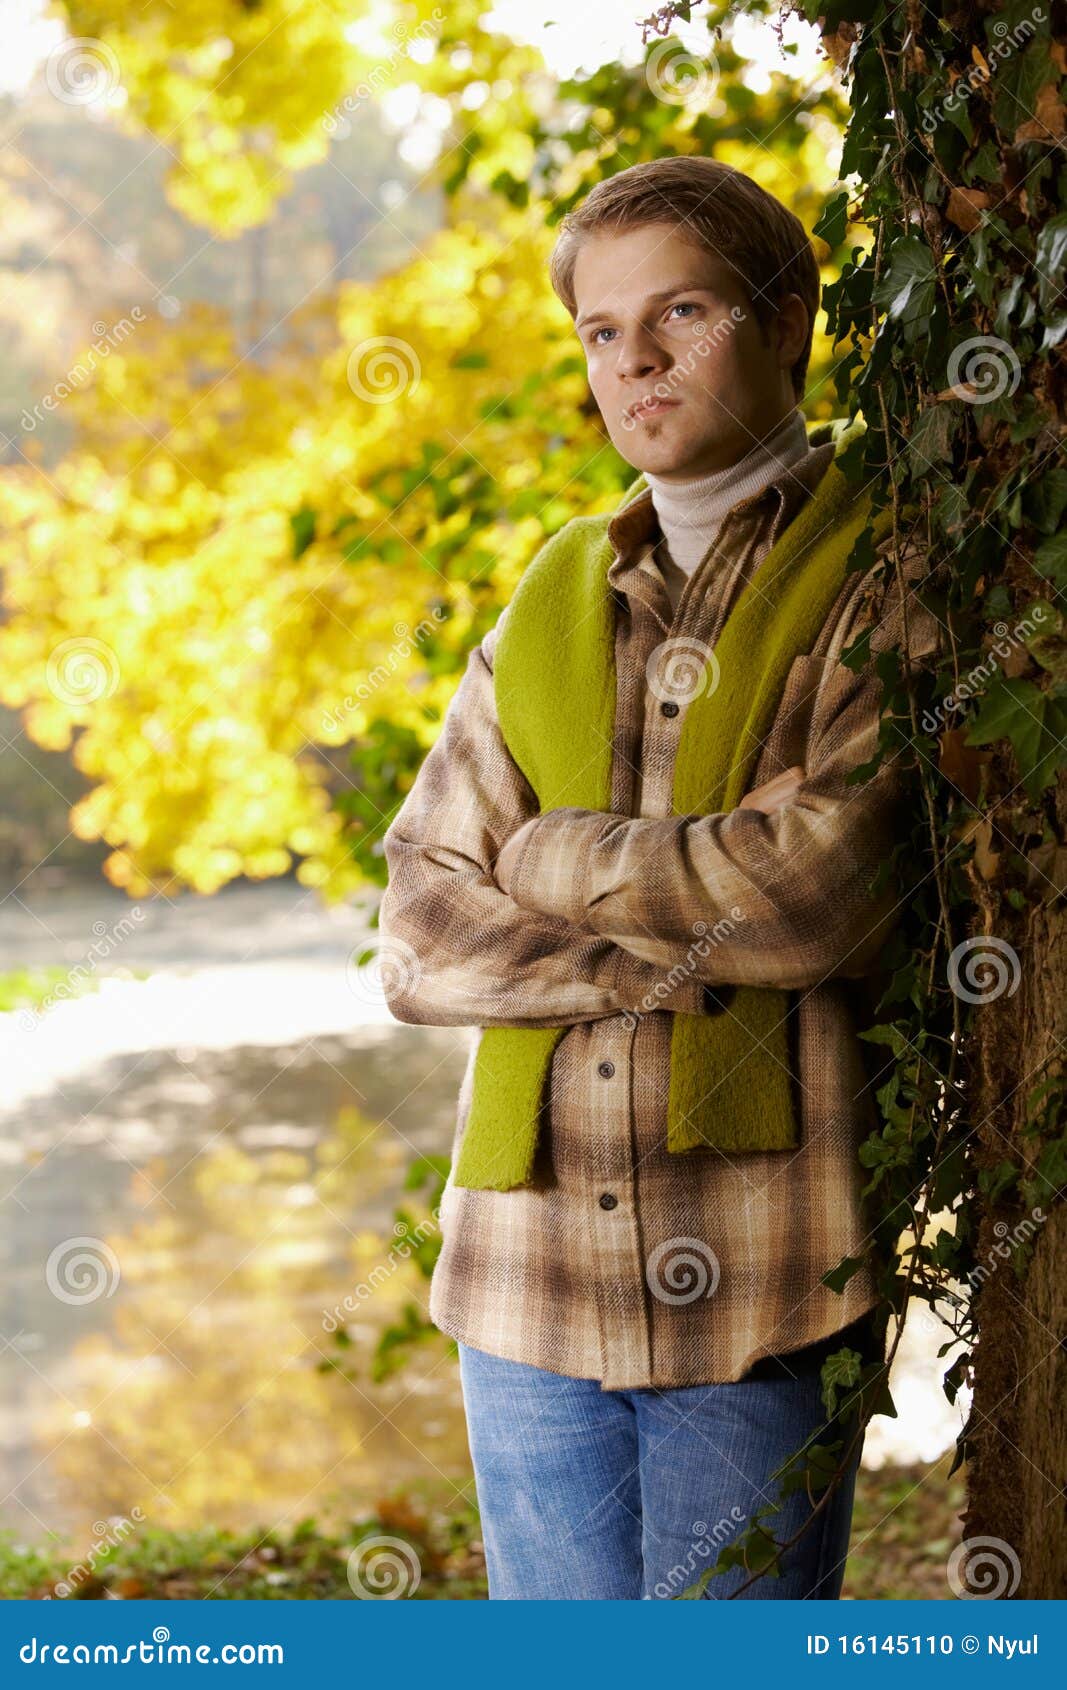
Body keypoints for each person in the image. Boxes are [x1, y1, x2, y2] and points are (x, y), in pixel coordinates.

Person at [377, 155, 940, 1600]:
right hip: (524, 1283)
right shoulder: (549, 597)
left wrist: (555, 857)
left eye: (679, 313)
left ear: (785, 320)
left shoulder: (879, 573)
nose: (633, 362)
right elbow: (424, 932)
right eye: (600, 331)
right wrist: (688, 945)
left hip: (758, 1280)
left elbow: (820, 891)